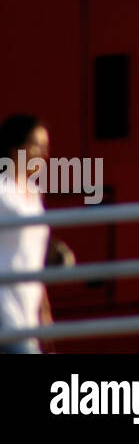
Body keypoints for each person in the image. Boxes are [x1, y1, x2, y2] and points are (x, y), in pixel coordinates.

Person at [0, 115, 52, 353]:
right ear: (15, 146)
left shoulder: (33, 192)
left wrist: (43, 308)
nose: (42, 153)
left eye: (45, 146)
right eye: (35, 144)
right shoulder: (2, 190)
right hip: (5, 308)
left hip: (27, 310)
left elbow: (33, 255)